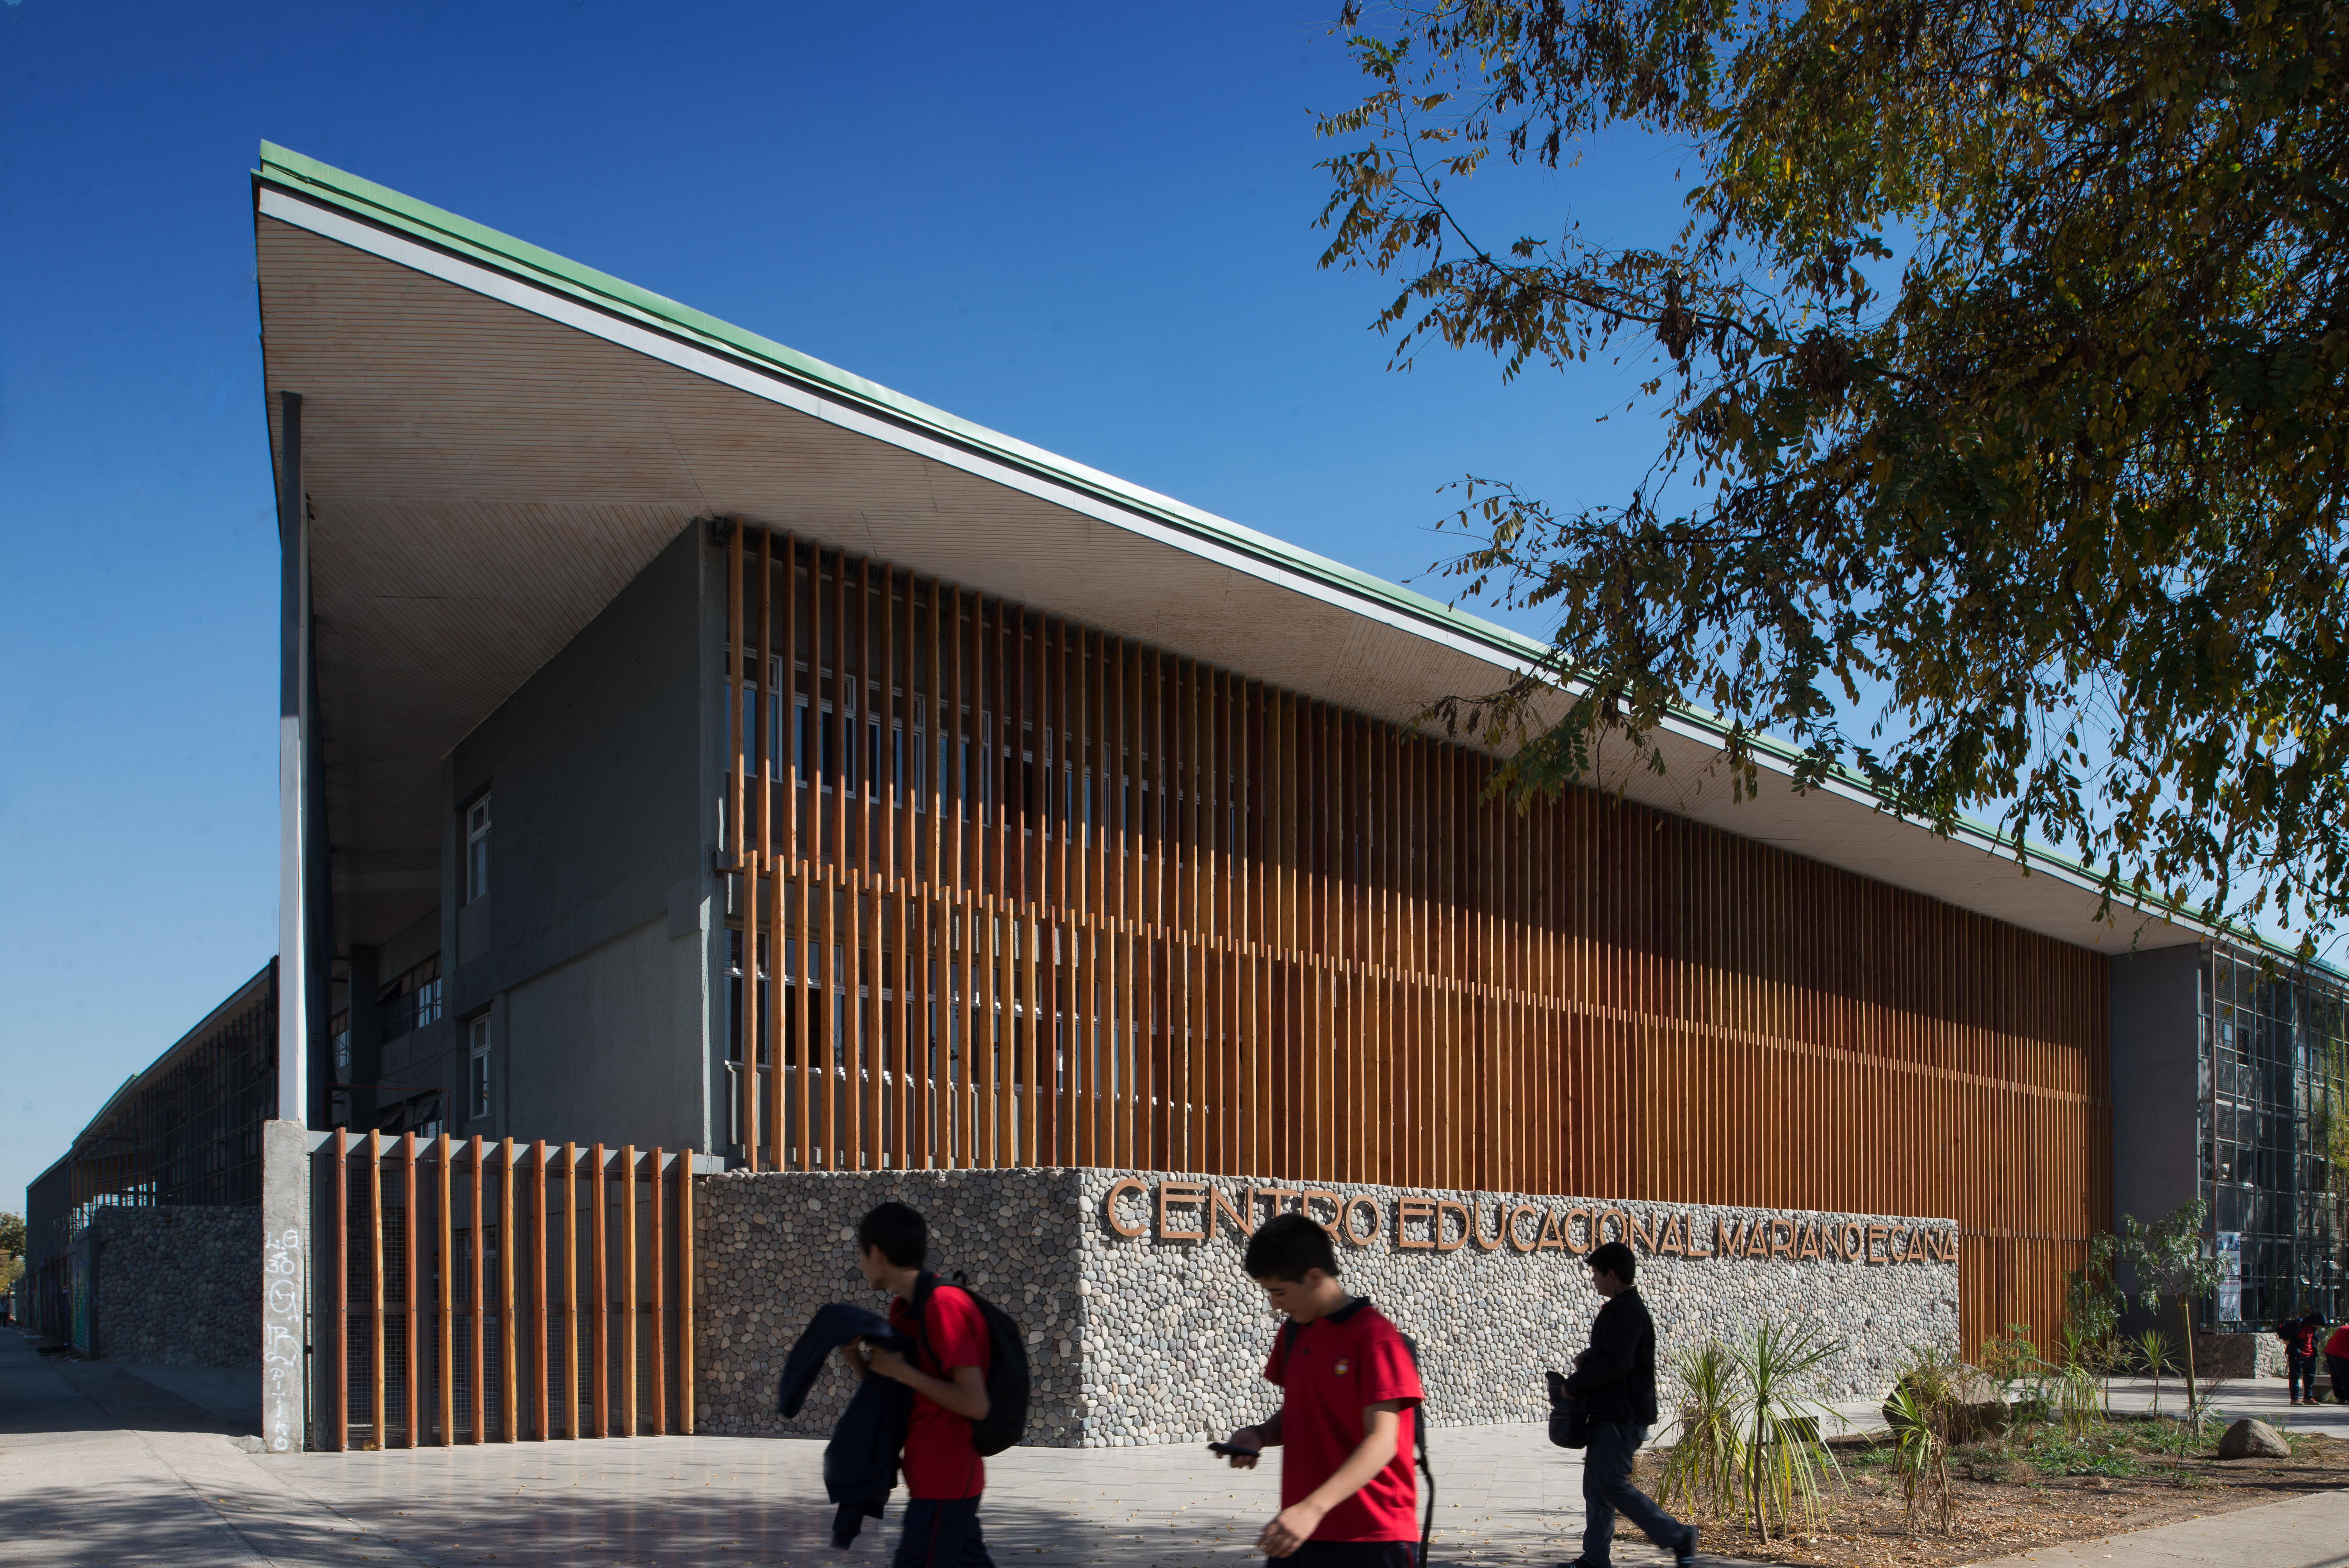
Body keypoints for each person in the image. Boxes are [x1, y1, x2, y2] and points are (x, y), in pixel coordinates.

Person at [1218, 1212, 1426, 1568]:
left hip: (1373, 1539)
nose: (1274, 1304)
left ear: (1314, 1278)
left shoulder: (1375, 1339)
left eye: (1279, 1292)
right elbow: (1305, 1410)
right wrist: (1260, 1435)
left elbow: (1384, 1442)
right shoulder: (1293, 1334)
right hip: (1297, 1534)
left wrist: (1312, 1508)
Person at [838, 1201, 995, 1568]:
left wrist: (900, 1371)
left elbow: (975, 1404)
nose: (860, 1264)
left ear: (876, 1254)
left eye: (861, 1254)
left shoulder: (943, 1305)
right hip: (930, 1479)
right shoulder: (904, 1309)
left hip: (947, 1479)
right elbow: (900, 1393)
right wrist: (854, 1356)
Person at [1559, 1241, 1697, 1568]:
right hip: (1609, 1412)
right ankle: (1595, 1558)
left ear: (1612, 1274)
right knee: (1596, 1488)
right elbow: (1614, 1355)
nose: (1593, 1279)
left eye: (1596, 1273)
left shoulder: (1629, 1312)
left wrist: (1574, 1385)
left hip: (1623, 1416)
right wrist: (1588, 1358)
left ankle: (1678, 1536)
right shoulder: (1617, 1310)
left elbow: (1618, 1364)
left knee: (1610, 1483)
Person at [2278, 1312, 2323, 1405]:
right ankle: (2295, 1399)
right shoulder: (2299, 1323)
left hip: (2310, 1355)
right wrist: (2286, 1339)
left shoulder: (2313, 1326)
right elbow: (2280, 1328)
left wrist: (2317, 1340)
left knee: (2310, 1377)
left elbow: (2311, 1334)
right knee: (2295, 1377)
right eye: (2318, 1324)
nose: (2318, 1326)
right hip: (2297, 1354)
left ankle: (2308, 1398)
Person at [2327, 1318, 2349, 1407]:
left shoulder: (2345, 1328)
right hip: (2341, 1353)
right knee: (2346, 1376)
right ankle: (2348, 1398)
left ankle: (2339, 1398)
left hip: (2330, 1352)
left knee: (2335, 1376)